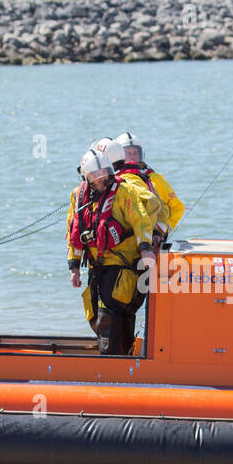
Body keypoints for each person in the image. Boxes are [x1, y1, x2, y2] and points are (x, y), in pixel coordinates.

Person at [67, 149, 158, 355]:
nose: (101, 180)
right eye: (95, 176)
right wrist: (74, 266)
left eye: (105, 174)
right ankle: (120, 354)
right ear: (86, 177)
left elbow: (141, 220)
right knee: (95, 314)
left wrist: (145, 249)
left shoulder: (124, 192)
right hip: (95, 266)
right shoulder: (78, 197)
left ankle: (112, 359)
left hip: (122, 264)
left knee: (111, 313)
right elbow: (73, 232)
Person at [109, 132, 182, 245]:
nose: (132, 156)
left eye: (135, 153)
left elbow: (176, 207)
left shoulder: (154, 178)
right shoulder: (110, 179)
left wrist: (162, 231)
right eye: (128, 153)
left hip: (152, 239)